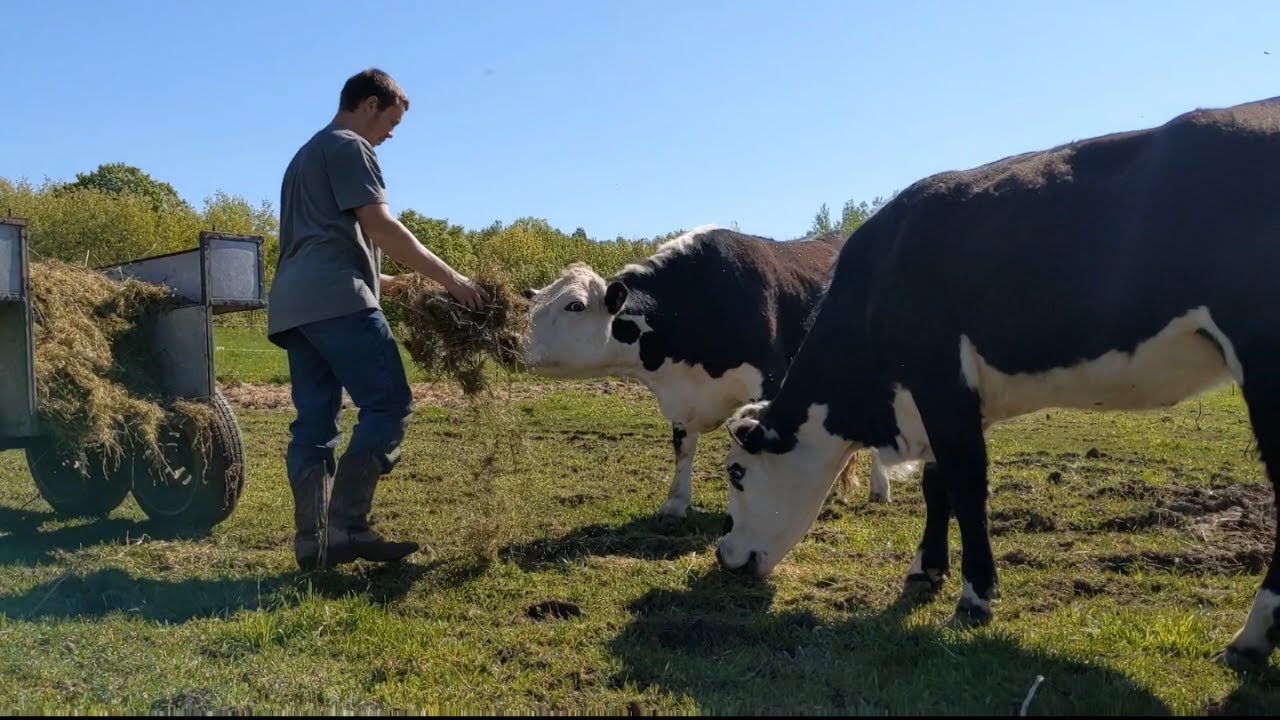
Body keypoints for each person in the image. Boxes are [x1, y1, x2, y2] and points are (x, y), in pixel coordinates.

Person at [267, 68, 487, 571]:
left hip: (296, 307)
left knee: (315, 425)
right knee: (388, 403)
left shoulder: (304, 157)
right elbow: (380, 226)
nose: (389, 135)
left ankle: (313, 541)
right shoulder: (350, 146)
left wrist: (384, 282)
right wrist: (453, 280)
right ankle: (348, 526)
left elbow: (318, 238)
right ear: (369, 104)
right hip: (338, 300)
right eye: (390, 122)